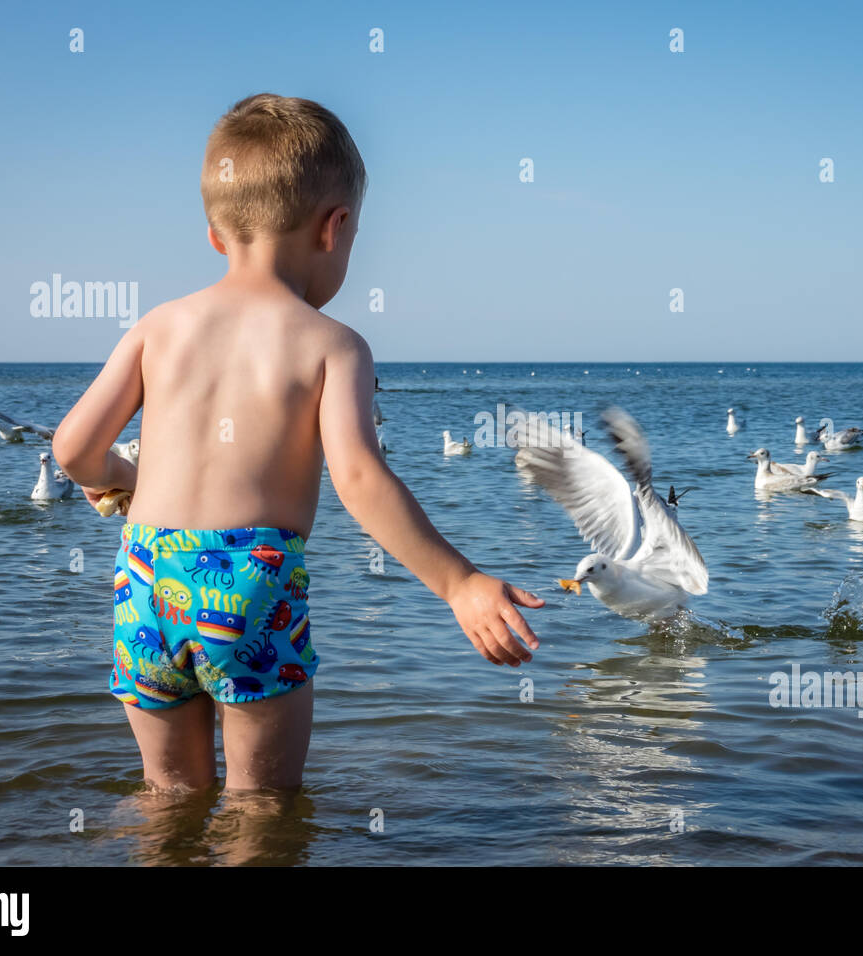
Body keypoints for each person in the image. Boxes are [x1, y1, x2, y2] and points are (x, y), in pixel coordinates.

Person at [53, 94, 543, 793]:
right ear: (334, 228)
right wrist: (458, 583)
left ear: (216, 236)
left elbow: (72, 449)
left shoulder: (159, 327)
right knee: (265, 806)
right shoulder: (333, 344)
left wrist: (121, 472)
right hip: (252, 586)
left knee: (169, 796)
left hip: (144, 582)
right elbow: (359, 478)